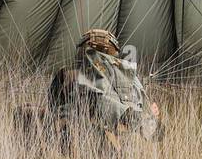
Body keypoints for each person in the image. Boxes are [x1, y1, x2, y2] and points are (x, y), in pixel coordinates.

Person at [15, 29, 163, 152]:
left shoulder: (73, 76)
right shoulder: (129, 80)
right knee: (25, 111)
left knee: (25, 112)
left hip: (95, 144)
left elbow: (55, 104)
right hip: (101, 143)